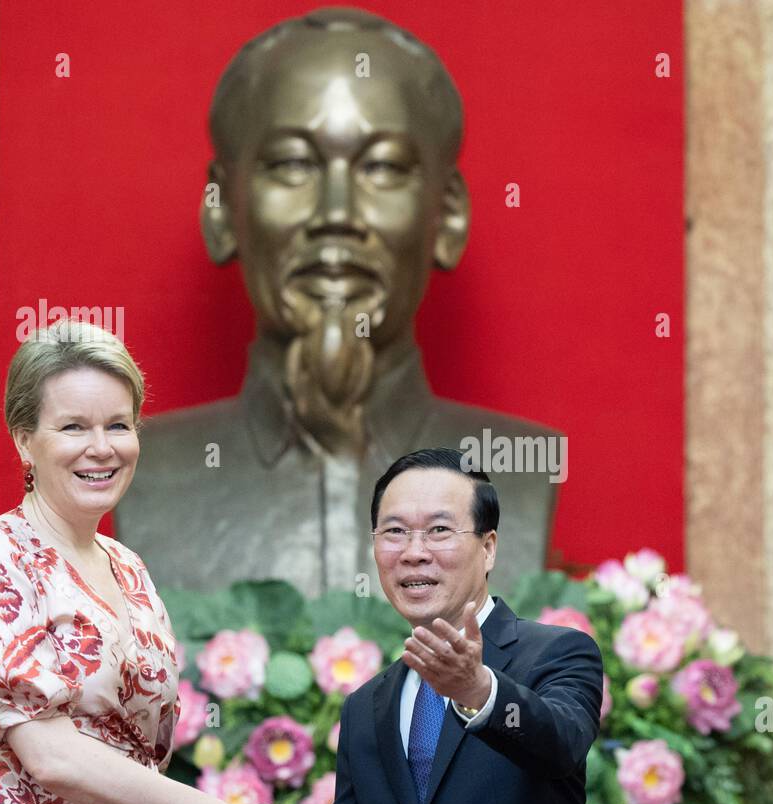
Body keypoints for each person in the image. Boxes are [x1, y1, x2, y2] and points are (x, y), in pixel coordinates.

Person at [116, 8, 563, 599]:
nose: (335, 215)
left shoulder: (518, 468)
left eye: (382, 167)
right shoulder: (138, 474)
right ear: (222, 209)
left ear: (449, 214)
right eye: (292, 164)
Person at [0, 320, 292, 804]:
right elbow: (55, 758)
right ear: (23, 440)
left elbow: (142, 768)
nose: (102, 447)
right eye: (73, 427)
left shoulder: (131, 571)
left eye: (118, 425)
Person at [222, 448, 604, 804]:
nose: (414, 552)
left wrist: (478, 692)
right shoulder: (366, 705)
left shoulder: (557, 652)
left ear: (488, 548)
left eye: (440, 530)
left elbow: (560, 744)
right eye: (395, 532)